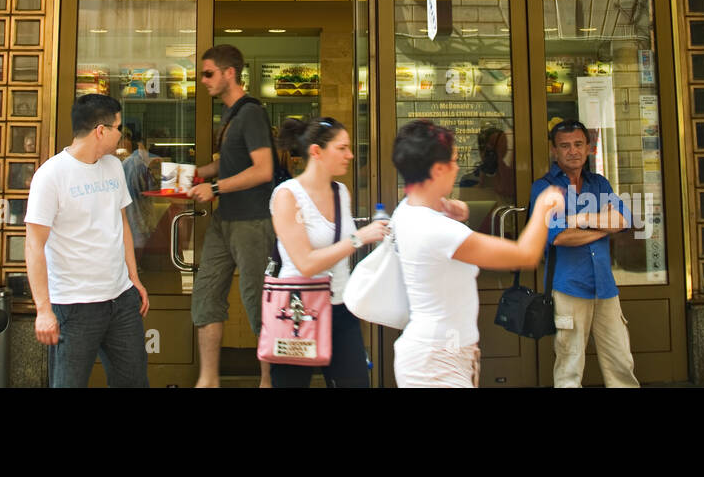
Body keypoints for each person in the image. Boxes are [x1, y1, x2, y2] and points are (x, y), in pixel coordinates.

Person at [390, 119, 565, 388]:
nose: (458, 168)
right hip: (438, 360)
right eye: (454, 160)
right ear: (437, 169)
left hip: (437, 353)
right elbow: (525, 255)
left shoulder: (407, 211)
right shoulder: (436, 229)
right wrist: (544, 206)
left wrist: (453, 209)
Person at [25, 93, 149, 388]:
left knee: (133, 382)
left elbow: (121, 224)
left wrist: (134, 279)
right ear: (101, 131)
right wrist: (43, 309)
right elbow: (34, 245)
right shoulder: (51, 175)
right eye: (118, 127)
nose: (122, 134)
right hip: (74, 305)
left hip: (121, 300)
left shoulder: (113, 167)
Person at [269, 116, 389, 388]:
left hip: (341, 309)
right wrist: (359, 239)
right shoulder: (286, 195)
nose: (351, 155)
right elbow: (305, 263)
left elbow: (338, 249)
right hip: (297, 310)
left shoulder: (341, 192)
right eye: (342, 148)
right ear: (316, 152)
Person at [187, 44, 276, 387]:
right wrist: (196, 173)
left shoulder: (251, 113)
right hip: (226, 221)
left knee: (257, 302)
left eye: (208, 73)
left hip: (252, 221)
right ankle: (208, 380)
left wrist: (216, 188)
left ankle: (268, 380)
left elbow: (263, 170)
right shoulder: (231, 114)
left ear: (229, 74)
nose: (203, 80)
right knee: (206, 295)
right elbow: (228, 163)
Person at [529, 119, 638, 388]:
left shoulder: (599, 184)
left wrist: (581, 218)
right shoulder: (544, 188)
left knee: (621, 362)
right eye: (565, 146)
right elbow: (560, 237)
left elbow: (623, 220)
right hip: (568, 287)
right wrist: (603, 227)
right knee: (569, 366)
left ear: (589, 148)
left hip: (605, 287)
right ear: (554, 151)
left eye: (578, 144)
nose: (573, 151)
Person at [121, 127, 155, 251]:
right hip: (136, 218)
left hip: (130, 219)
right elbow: (149, 189)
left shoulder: (127, 163)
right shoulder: (133, 163)